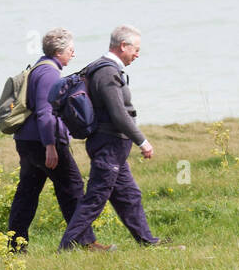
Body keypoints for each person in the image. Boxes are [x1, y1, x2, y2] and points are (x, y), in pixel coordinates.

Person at [59, 25, 171, 250]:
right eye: (136, 49)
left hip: (114, 146)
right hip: (108, 144)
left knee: (129, 195)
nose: (137, 54)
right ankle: (66, 248)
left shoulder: (104, 68)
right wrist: (143, 141)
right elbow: (118, 113)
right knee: (96, 198)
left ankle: (147, 242)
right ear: (123, 46)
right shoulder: (107, 71)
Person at [6, 28, 97, 251]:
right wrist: (50, 146)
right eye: (71, 50)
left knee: (27, 193)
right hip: (42, 141)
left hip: (26, 139)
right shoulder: (49, 74)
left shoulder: (38, 67)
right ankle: (85, 243)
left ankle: (15, 247)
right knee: (73, 187)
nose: (73, 55)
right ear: (59, 51)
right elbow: (45, 113)